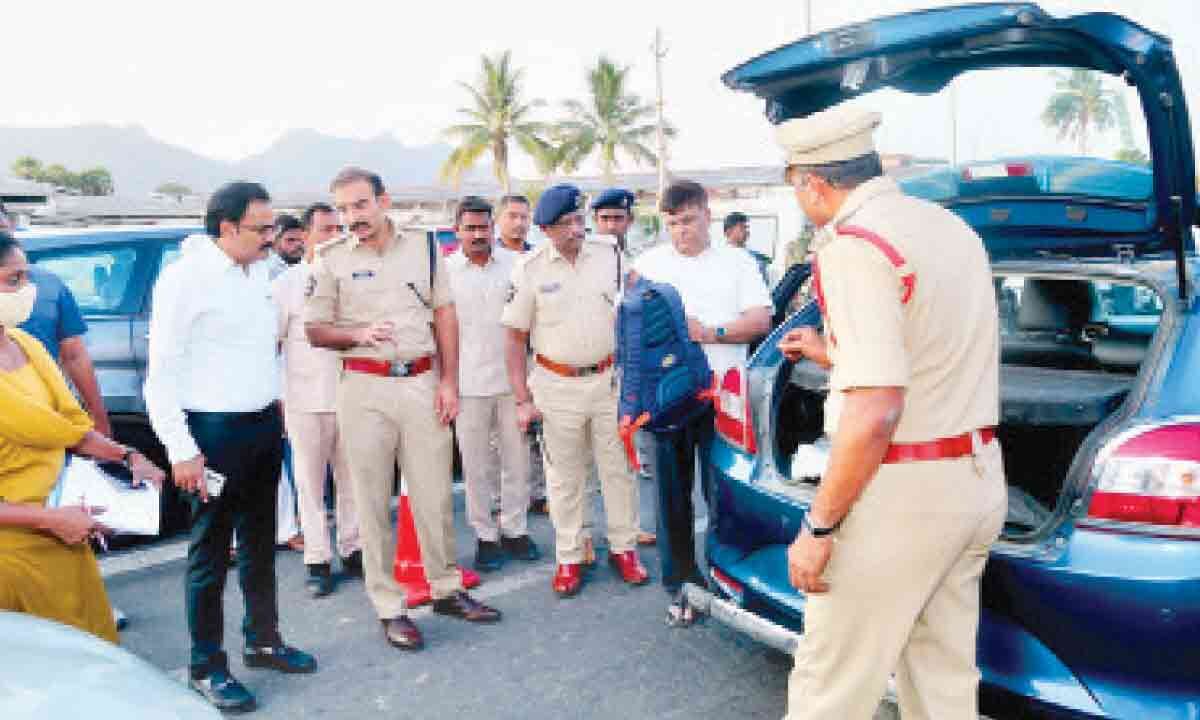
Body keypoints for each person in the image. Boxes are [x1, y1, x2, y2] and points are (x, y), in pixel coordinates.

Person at [772, 107, 1005, 720]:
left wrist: (819, 529)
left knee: (831, 690)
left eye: (795, 187)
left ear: (813, 183)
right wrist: (834, 355)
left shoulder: (854, 247)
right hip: (976, 478)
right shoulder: (950, 228)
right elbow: (931, 345)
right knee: (943, 680)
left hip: (901, 493)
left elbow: (878, 408)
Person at [305, 167, 500, 652]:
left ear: (382, 201)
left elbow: (445, 314)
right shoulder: (329, 259)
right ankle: (389, 607)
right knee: (371, 502)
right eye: (345, 209)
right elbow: (314, 330)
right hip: (365, 389)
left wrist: (449, 381)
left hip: (421, 382)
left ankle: (447, 590)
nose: (354, 218)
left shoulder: (424, 246)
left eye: (361, 205)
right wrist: (357, 336)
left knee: (434, 494)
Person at [144, 182, 317, 713]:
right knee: (210, 556)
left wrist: (279, 406)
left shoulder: (261, 272)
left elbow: (266, 348)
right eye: (261, 229)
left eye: (272, 228)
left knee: (261, 543)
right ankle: (207, 666)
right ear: (225, 228)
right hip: (211, 435)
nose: (272, 238)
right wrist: (181, 449)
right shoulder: (185, 279)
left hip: (262, 426)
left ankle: (263, 641)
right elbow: (162, 374)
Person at [0, 231, 165, 643]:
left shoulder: (23, 343)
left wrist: (127, 458)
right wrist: (47, 518)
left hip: (65, 533)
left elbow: (71, 430)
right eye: (14, 280)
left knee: (96, 648)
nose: (29, 292)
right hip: (16, 550)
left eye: (27, 278)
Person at [501, 184, 648, 598]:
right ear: (546, 229)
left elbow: (640, 301)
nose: (577, 229)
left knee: (618, 470)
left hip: (608, 382)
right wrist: (522, 400)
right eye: (566, 224)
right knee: (564, 478)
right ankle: (569, 556)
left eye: (579, 219)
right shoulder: (529, 269)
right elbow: (513, 339)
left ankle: (624, 548)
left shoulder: (611, 255)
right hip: (555, 385)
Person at [634, 181, 771, 622]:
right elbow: (630, 330)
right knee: (671, 499)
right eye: (672, 223)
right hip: (667, 397)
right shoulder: (648, 265)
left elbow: (760, 319)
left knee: (725, 493)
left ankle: (729, 576)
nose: (681, 231)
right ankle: (682, 586)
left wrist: (710, 333)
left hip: (724, 397)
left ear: (708, 215)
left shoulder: (739, 262)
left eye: (688, 220)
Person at [272, 202, 361, 598]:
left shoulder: (354, 280)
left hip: (352, 395)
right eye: (325, 230)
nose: (334, 237)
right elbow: (270, 346)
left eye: (339, 229)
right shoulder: (287, 285)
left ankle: (353, 549)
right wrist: (276, 396)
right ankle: (318, 560)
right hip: (305, 398)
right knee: (310, 483)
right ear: (305, 236)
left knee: (353, 480)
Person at [446, 196, 540, 572]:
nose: (478, 234)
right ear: (457, 231)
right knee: (475, 467)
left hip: (513, 383)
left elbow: (531, 324)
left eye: (484, 227)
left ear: (493, 228)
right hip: (466, 385)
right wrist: (446, 384)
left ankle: (515, 530)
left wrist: (530, 388)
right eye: (470, 228)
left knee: (517, 462)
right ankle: (485, 536)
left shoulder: (517, 267)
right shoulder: (445, 272)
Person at [589, 187, 656, 550]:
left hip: (624, 372)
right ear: (594, 221)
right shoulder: (579, 259)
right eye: (604, 218)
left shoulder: (639, 263)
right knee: (583, 466)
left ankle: (627, 530)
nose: (612, 225)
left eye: (618, 218)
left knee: (623, 457)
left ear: (629, 221)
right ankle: (581, 536)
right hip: (586, 370)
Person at [724, 212, 771, 286]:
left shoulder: (757, 259)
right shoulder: (719, 257)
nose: (746, 231)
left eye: (747, 227)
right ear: (729, 232)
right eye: (742, 227)